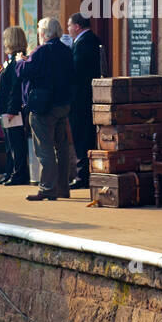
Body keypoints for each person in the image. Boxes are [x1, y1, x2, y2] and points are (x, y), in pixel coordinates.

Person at [17, 17, 74, 201]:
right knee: (62, 148)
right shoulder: (66, 50)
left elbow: (24, 72)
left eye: (39, 31)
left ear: (43, 33)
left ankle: (47, 188)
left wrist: (20, 61)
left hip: (43, 108)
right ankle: (63, 188)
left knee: (45, 149)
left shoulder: (41, 51)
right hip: (63, 105)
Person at [67, 12, 102, 189]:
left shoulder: (84, 42)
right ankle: (85, 173)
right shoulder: (88, 40)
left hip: (81, 98)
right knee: (83, 136)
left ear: (77, 26)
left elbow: (76, 70)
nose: (68, 29)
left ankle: (83, 176)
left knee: (82, 136)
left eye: (69, 26)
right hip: (84, 97)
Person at [0, 26, 30, 186]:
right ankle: (10, 171)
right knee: (9, 144)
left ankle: (19, 174)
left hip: (12, 110)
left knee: (16, 143)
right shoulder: (10, 61)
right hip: (4, 109)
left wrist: (12, 110)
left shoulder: (17, 61)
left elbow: (15, 87)